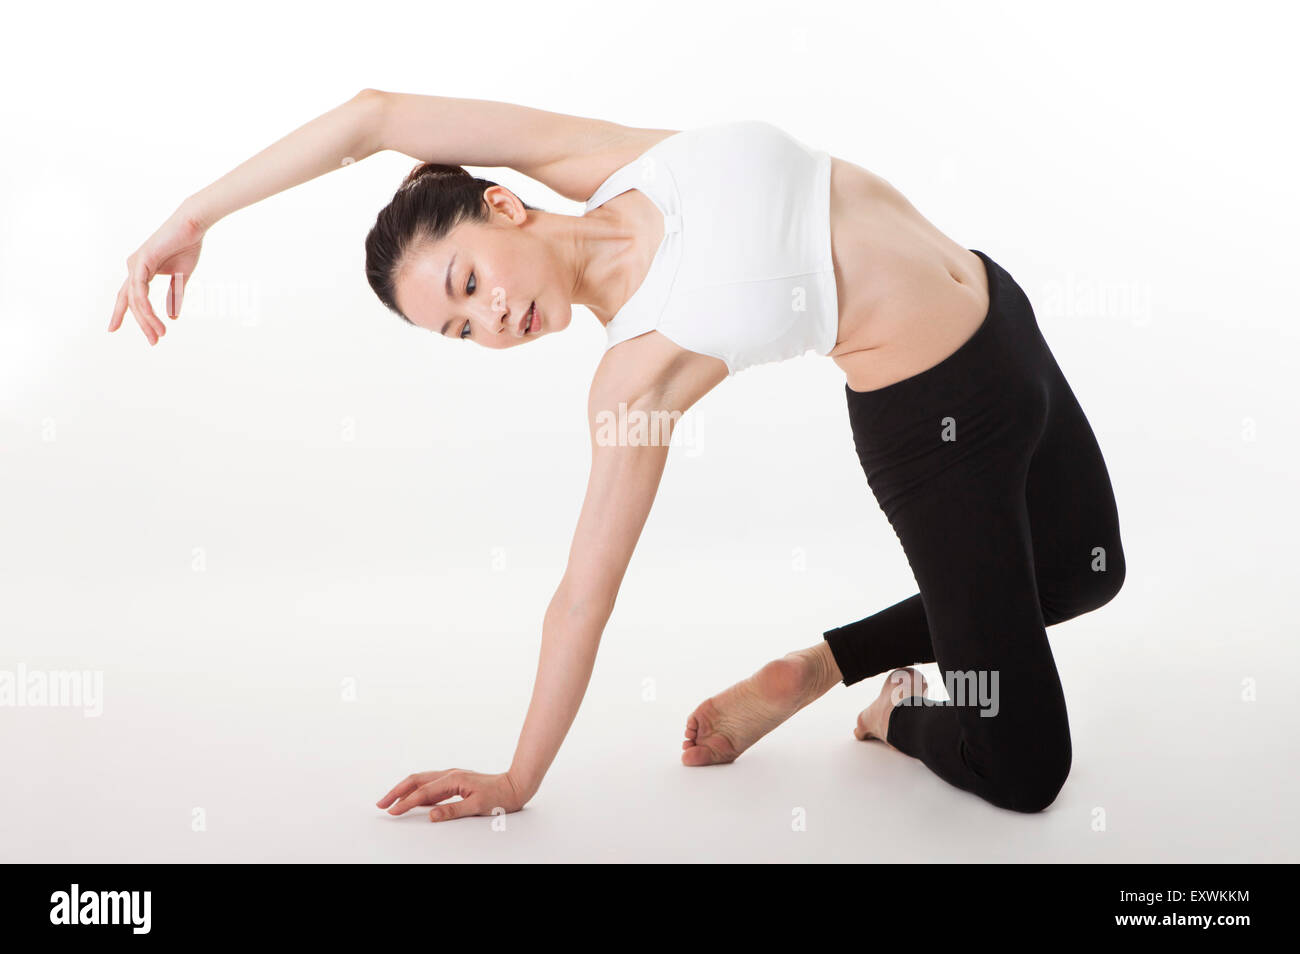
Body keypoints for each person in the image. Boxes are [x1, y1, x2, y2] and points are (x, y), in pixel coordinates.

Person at [109, 90, 1125, 819]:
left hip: (1004, 318)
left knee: (1086, 571)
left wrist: (191, 218)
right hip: (936, 427)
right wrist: (516, 780)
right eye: (462, 332)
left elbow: (374, 118)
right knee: (1022, 766)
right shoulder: (633, 379)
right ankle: (891, 709)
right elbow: (581, 596)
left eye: (467, 283)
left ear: (502, 206)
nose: (492, 319)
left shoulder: (611, 161)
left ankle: (821, 664)